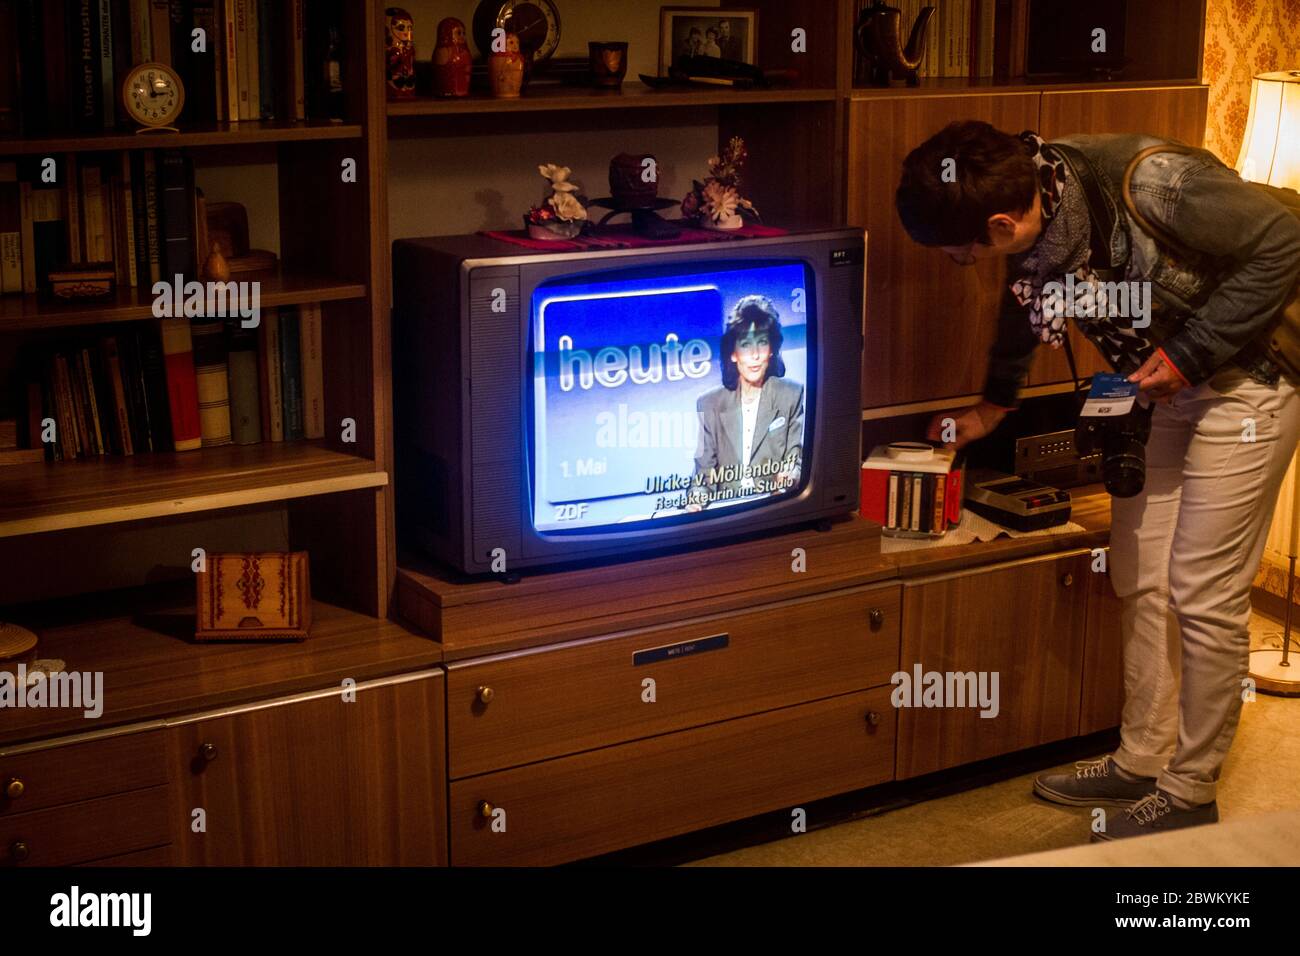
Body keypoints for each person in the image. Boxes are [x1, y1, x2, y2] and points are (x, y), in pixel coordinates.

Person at [895, 121, 1300, 841]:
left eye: (961, 249)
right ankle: (1143, 756)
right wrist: (994, 404)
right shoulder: (1039, 207)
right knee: (1140, 573)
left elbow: (1283, 243)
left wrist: (1191, 352)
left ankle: (1191, 787)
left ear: (1000, 220)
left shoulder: (1151, 182)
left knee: (1203, 589)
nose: (959, 261)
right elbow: (1028, 297)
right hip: (1162, 383)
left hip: (1247, 383)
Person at [690, 296, 804, 510]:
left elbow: (794, 459)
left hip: (774, 508)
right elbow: (702, 479)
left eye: (762, 342)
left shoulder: (791, 394)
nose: (754, 355)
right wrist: (696, 500)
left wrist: (790, 476)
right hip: (726, 516)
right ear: (733, 354)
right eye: (745, 345)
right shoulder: (709, 403)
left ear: (771, 349)